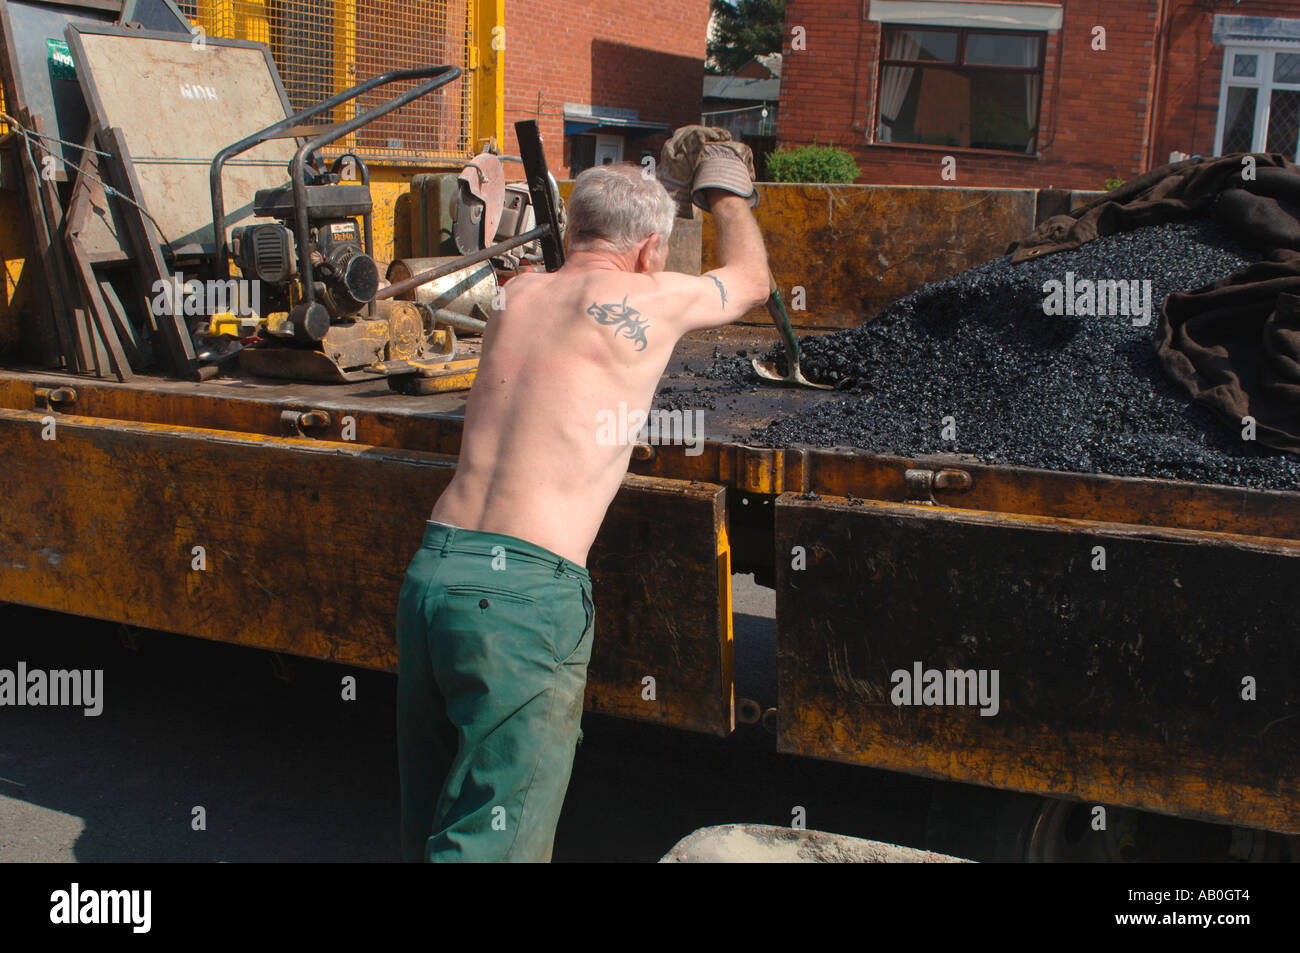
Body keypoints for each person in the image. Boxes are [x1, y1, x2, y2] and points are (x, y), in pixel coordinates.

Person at [396, 134, 769, 862]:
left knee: (434, 820)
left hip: (434, 575)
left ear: (574, 233)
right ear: (653, 249)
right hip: (522, 598)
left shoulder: (516, 294)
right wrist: (724, 180)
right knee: (489, 845)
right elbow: (750, 279)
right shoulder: (652, 296)